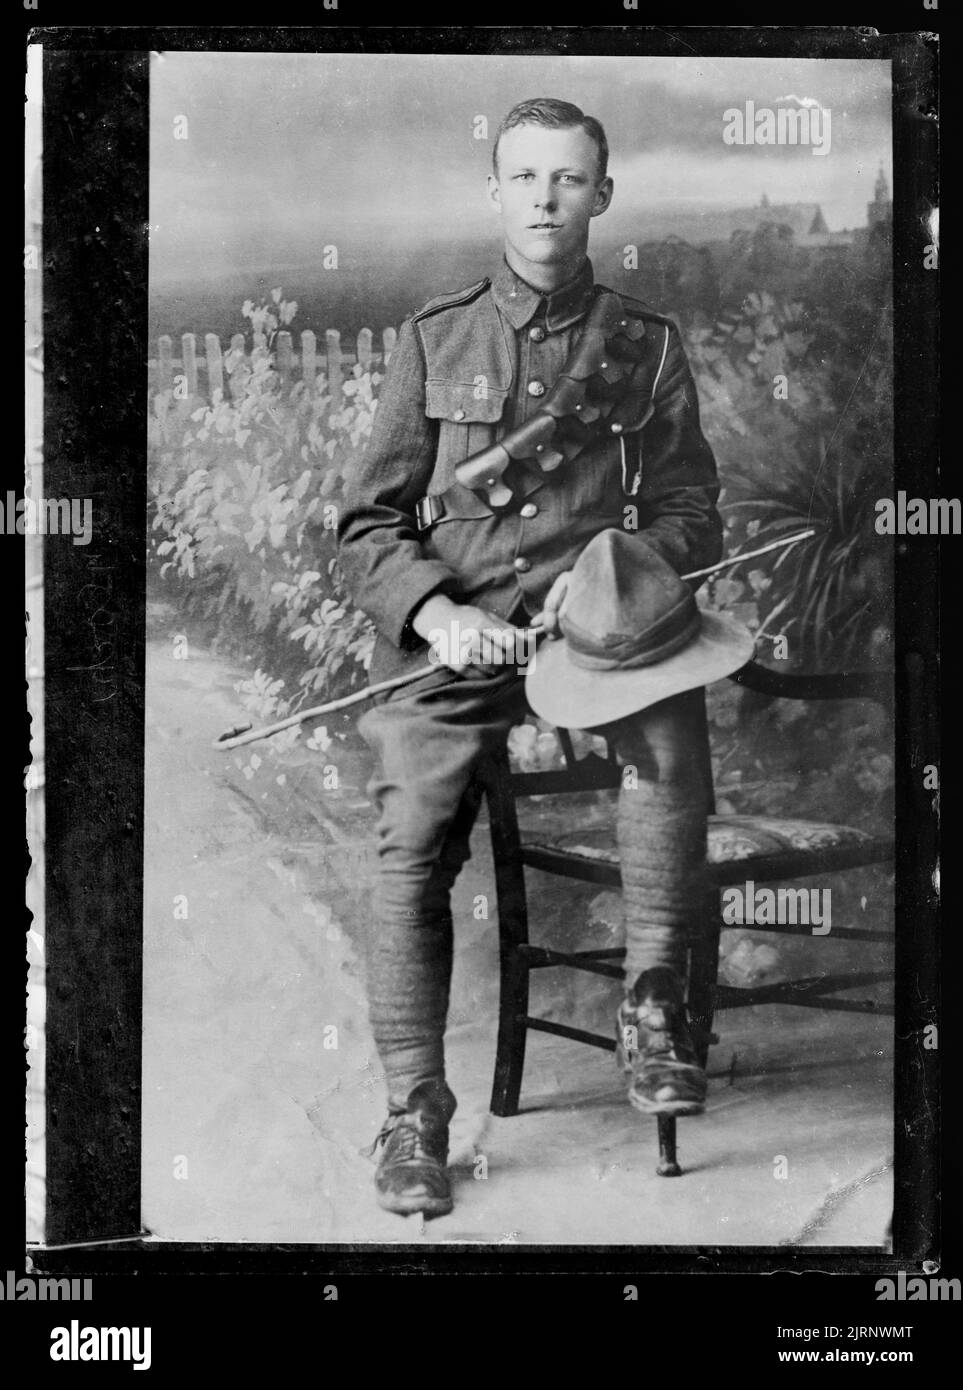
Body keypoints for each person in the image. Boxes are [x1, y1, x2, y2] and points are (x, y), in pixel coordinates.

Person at [338, 97, 726, 1218]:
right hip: (460, 647)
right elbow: (367, 526)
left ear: (602, 195)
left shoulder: (645, 348)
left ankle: (654, 1010)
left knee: (671, 736)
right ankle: (415, 1111)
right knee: (408, 839)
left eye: (569, 179)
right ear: (496, 193)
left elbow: (695, 514)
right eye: (525, 178)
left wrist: (614, 575)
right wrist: (434, 615)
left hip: (593, 642)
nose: (546, 199)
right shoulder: (434, 338)